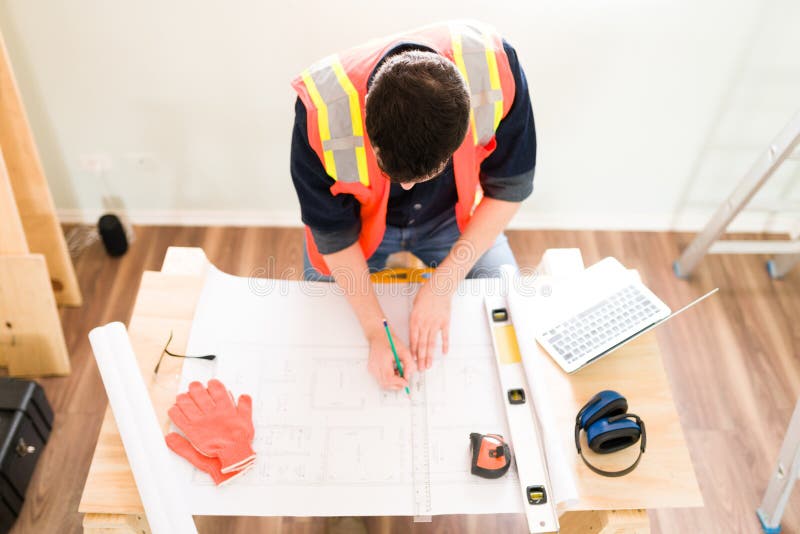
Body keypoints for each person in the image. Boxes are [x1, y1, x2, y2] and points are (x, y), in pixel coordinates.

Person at [290, 21, 536, 391]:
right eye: (395, 172)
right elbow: (332, 234)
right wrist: (376, 331)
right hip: (356, 231)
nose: (405, 186)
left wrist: (444, 283)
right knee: (322, 325)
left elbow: (510, 187)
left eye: (418, 177)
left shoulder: (496, 68)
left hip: (452, 220)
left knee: (512, 308)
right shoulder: (321, 109)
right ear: (368, 125)